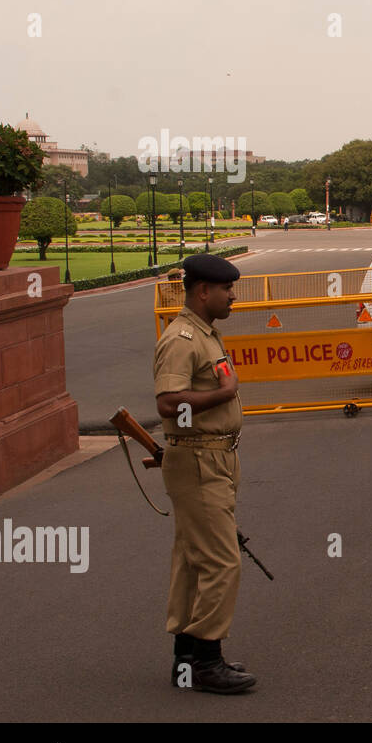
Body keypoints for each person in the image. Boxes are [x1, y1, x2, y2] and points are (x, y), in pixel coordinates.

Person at [152, 253, 256, 693]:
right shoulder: (183, 338)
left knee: (194, 561)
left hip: (209, 456)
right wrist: (224, 395)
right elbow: (168, 402)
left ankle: (185, 660)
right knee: (220, 561)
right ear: (203, 292)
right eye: (226, 289)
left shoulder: (207, 335)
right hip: (199, 461)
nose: (233, 296)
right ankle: (207, 661)